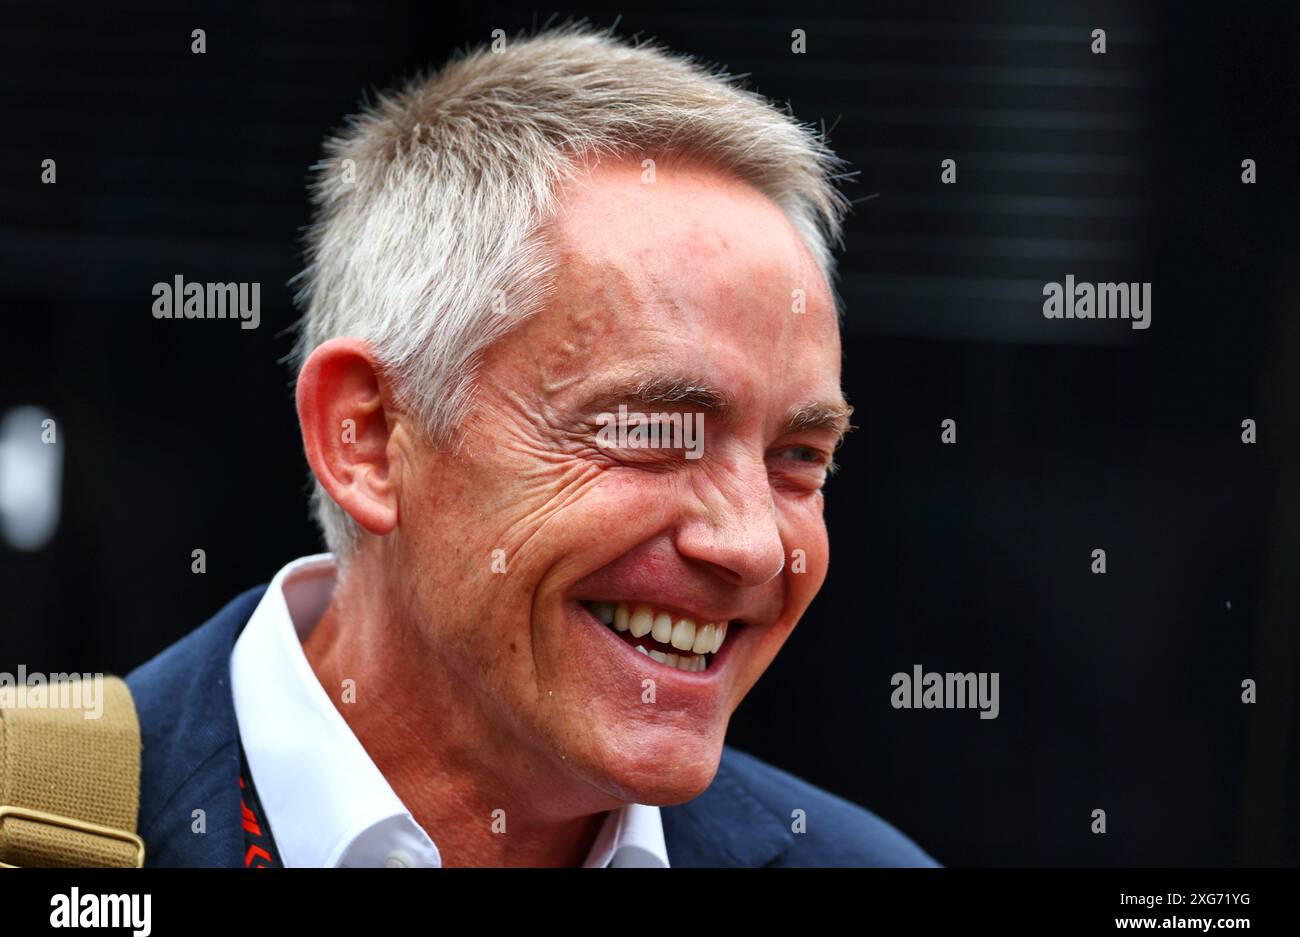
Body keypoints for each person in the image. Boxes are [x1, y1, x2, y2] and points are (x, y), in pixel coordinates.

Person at [127, 25, 936, 868]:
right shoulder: (43, 818)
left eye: (800, 458)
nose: (754, 546)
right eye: (655, 432)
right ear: (367, 437)